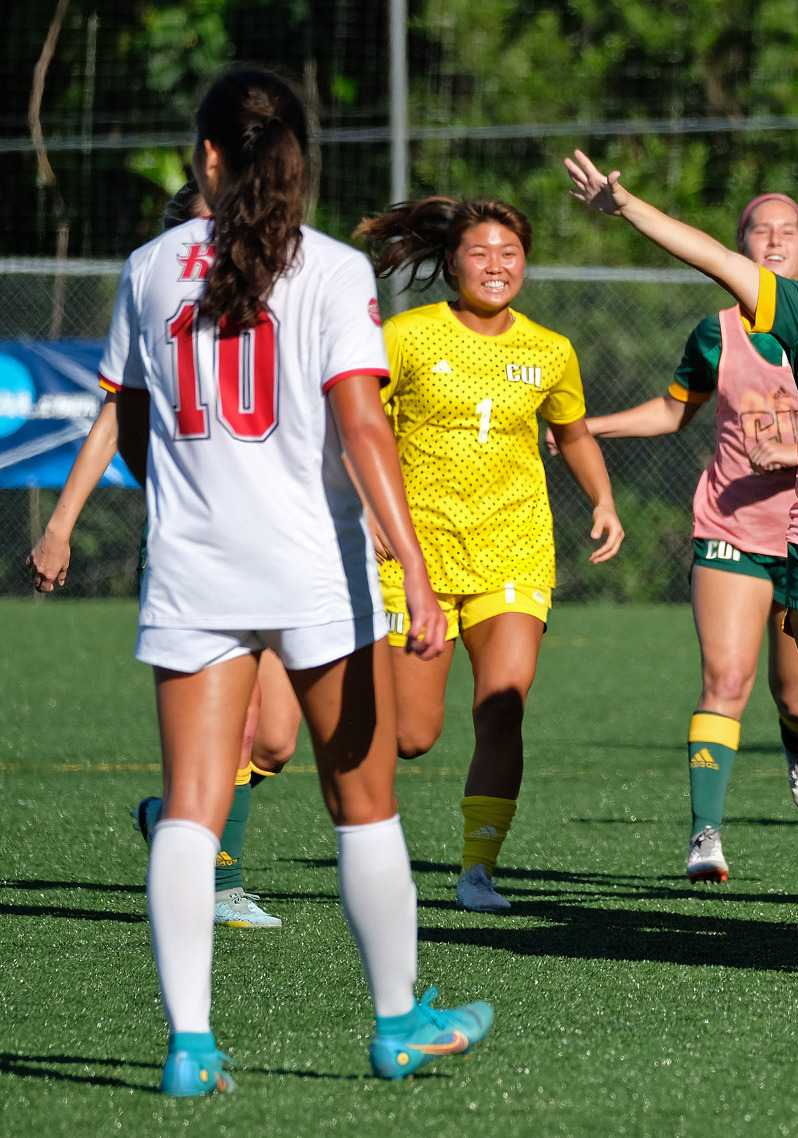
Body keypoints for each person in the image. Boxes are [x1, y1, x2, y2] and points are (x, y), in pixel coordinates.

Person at [105, 68, 490, 1095]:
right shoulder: (327, 268)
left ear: (209, 156)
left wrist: (190, 497)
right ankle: (399, 1020)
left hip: (191, 567)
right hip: (316, 568)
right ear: (298, 161)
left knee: (190, 808)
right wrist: (411, 565)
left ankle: (190, 1046)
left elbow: (135, 431)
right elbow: (363, 423)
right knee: (362, 803)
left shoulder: (146, 267)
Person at [561, 151, 798, 953]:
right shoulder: (719, 333)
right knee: (724, 679)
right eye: (756, 229)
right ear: (740, 245)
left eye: (786, 229)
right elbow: (671, 412)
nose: (770, 239)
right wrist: (587, 429)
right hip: (731, 530)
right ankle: (705, 835)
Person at [28, 182, 302, 932]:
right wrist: (60, 526)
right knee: (235, 727)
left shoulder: (281, 302)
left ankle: (171, 817)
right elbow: (114, 417)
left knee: (275, 739)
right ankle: (219, 882)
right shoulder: (158, 310)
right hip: (190, 542)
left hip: (277, 545)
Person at [353, 194, 625, 914]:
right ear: (451, 263)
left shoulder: (549, 349)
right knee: (412, 735)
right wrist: (364, 507)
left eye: (510, 252)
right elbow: (356, 429)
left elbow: (571, 433)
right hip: (417, 555)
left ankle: (477, 871)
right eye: (480, 252)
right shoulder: (404, 336)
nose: (496, 265)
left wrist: (602, 498)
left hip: (514, 548)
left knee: (502, 709)